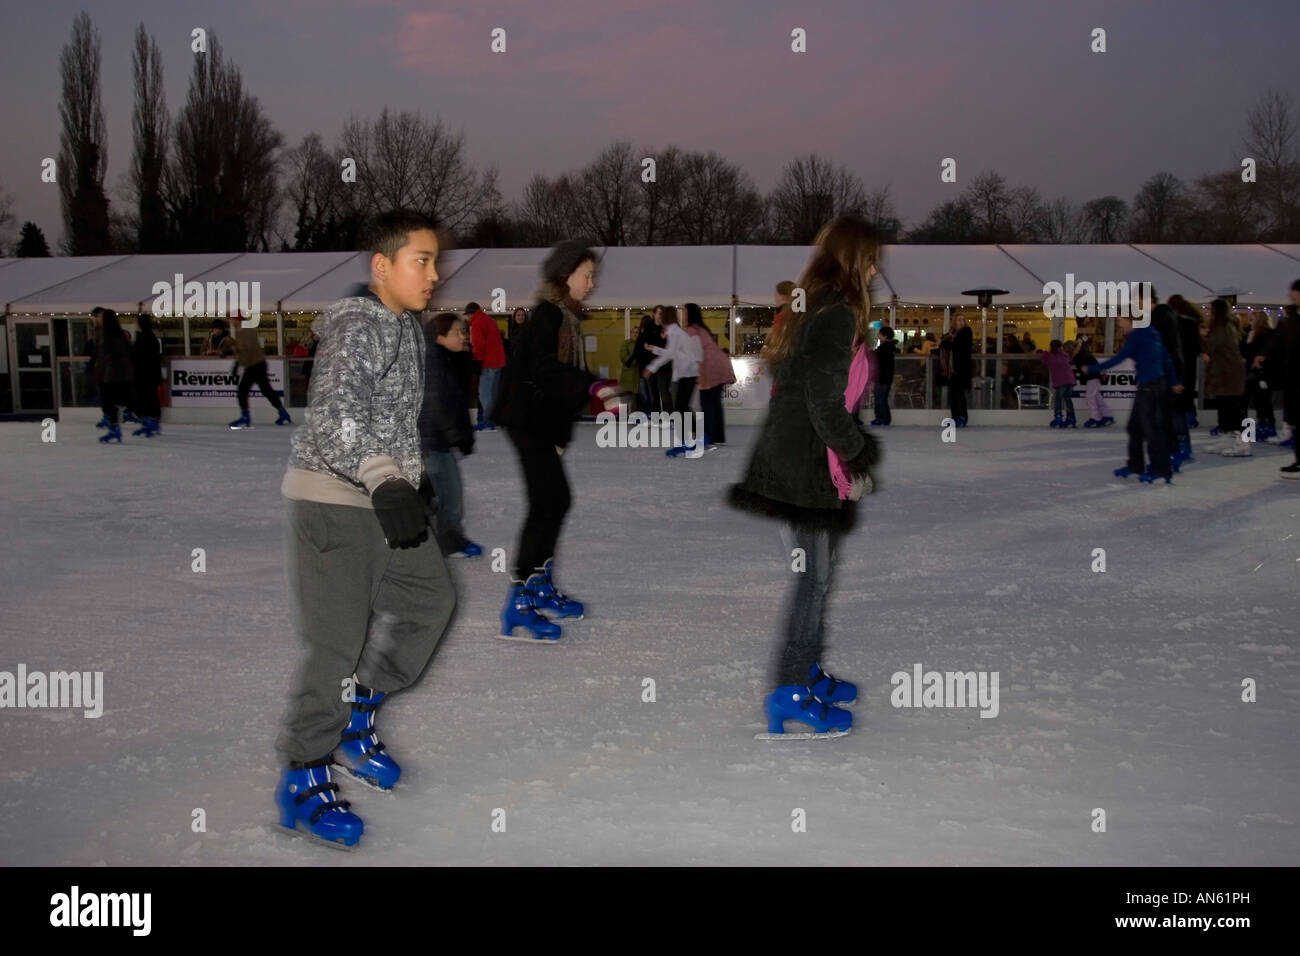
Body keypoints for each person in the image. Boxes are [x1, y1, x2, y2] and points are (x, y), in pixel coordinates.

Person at [274, 210, 454, 849]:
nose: (435, 273)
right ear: (383, 266)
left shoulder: (403, 326)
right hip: (334, 504)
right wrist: (385, 478)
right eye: (421, 260)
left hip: (382, 498)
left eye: (436, 261)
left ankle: (357, 716)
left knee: (431, 601)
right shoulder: (358, 327)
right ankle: (302, 775)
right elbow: (336, 415)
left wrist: (409, 478)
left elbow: (387, 418)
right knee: (336, 646)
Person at [728, 215, 883, 739]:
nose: (876, 270)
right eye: (871, 260)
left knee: (819, 575)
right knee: (813, 578)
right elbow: (823, 401)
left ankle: (807, 671)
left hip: (801, 458)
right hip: (804, 465)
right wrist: (857, 454)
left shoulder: (815, 304)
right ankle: (790, 690)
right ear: (855, 260)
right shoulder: (835, 312)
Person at [493, 240, 625, 642]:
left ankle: (538, 583)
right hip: (525, 419)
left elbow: (554, 381)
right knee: (547, 503)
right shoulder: (549, 315)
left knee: (555, 500)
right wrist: (594, 386)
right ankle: (519, 601)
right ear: (565, 275)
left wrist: (562, 432)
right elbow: (545, 370)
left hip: (538, 420)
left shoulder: (565, 316)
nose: (591, 283)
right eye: (587, 275)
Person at [1085, 306, 1183, 484]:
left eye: (1120, 320)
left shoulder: (1137, 334)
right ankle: (1136, 465)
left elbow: (1120, 357)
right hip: (1154, 385)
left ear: (1130, 319)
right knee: (1134, 428)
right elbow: (1166, 358)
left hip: (1149, 387)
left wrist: (1092, 369)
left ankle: (1161, 469)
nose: (1119, 324)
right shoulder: (1152, 332)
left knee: (1152, 430)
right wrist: (1174, 381)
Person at [420, 312, 481, 558]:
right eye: (457, 332)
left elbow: (454, 401)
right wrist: (457, 436)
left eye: (464, 332)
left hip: (437, 441)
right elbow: (438, 403)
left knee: (443, 495)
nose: (463, 337)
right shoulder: (434, 362)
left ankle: (444, 541)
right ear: (440, 337)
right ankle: (447, 544)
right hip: (431, 442)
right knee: (448, 495)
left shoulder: (447, 360)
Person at [643, 304, 702, 455]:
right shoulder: (675, 332)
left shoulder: (675, 333)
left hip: (686, 374)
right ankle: (697, 438)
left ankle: (688, 441)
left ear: (664, 318)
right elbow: (672, 353)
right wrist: (655, 349)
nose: (658, 319)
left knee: (680, 409)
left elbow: (670, 354)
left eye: (660, 316)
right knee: (682, 408)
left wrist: (651, 368)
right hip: (686, 374)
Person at [1256, 283, 1300, 475]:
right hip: (1294, 377)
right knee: (1296, 420)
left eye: (1294, 294)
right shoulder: (1293, 318)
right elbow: (1278, 339)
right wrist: (1263, 353)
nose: (1291, 296)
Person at [684, 302, 736, 447]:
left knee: (706, 403)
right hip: (721, 364)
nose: (682, 314)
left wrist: (698, 373)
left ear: (690, 314)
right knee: (715, 403)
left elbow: (697, 353)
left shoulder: (692, 330)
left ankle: (709, 438)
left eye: (684, 311)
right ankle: (718, 437)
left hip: (710, 367)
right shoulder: (702, 328)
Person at [1203, 299, 1248, 456]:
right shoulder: (1222, 327)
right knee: (1224, 408)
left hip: (1229, 374)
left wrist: (1202, 336)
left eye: (1210, 310)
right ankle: (1227, 439)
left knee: (1232, 409)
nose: (1208, 312)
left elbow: (1210, 345)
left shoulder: (1223, 328)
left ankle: (1243, 443)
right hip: (1224, 373)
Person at [228, 317, 292, 429]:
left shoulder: (242, 331)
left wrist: (237, 360)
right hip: (260, 363)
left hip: (253, 366)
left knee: (242, 391)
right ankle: (283, 413)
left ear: (237, 319)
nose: (231, 322)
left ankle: (245, 417)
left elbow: (246, 348)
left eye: (231, 319)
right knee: (267, 391)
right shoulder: (248, 328)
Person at [94, 309, 134, 444]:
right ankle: (116, 426)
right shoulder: (121, 335)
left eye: (101, 318)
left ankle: (114, 428)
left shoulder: (106, 336)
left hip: (111, 375)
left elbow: (103, 357)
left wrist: (99, 373)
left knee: (109, 403)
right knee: (115, 402)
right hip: (123, 375)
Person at [1167, 295, 1205, 437]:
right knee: (1187, 390)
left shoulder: (1171, 323)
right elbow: (1196, 346)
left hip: (1176, 362)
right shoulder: (1191, 323)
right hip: (1189, 362)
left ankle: (1182, 419)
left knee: (1176, 392)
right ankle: (1190, 417)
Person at [466, 301, 506, 430]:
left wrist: (476, 361)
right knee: (493, 393)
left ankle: (488, 420)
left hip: (487, 363)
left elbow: (478, 345)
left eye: (468, 315)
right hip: (498, 362)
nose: (468, 318)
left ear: (471, 314)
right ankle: (495, 418)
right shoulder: (490, 320)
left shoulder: (477, 323)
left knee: (484, 394)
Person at [1242, 312, 1276, 440]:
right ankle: (1259, 425)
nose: (1251, 322)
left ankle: (1266, 425)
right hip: (1251, 372)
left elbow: (1259, 352)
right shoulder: (1250, 334)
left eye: (1253, 319)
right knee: (1256, 400)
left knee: (1262, 400)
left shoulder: (1266, 335)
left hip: (1261, 372)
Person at [129, 314, 163, 437]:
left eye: (136, 323)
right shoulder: (149, 337)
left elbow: (137, 357)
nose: (135, 325)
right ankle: (151, 423)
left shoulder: (143, 339)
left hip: (144, 375)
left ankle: (149, 424)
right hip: (150, 375)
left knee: (145, 399)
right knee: (150, 399)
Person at [941, 313, 973, 426]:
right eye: (959, 319)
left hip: (961, 368)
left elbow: (958, 346)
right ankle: (956, 417)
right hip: (953, 369)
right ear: (954, 321)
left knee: (959, 394)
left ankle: (961, 417)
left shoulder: (966, 331)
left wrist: (945, 344)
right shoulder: (953, 333)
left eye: (963, 319)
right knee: (955, 394)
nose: (961, 322)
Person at [1073, 336, 1112, 427]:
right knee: (1097, 397)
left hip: (1092, 378)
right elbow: (1096, 364)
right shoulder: (1086, 355)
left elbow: (1087, 367)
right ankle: (1107, 415)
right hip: (1095, 377)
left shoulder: (1079, 357)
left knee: (1090, 398)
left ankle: (1095, 418)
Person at [1038, 339, 1077, 428]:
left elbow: (1044, 361)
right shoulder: (1065, 355)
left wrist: (1044, 352)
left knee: (1058, 399)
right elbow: (1070, 361)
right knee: (1067, 398)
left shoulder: (1050, 356)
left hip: (1060, 381)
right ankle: (1071, 417)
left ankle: (1058, 418)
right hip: (1070, 380)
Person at [629, 314, 661, 412]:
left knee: (647, 393)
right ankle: (651, 412)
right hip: (648, 369)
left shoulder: (649, 338)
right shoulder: (647, 338)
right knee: (649, 393)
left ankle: (650, 412)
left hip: (646, 369)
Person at [871, 325, 896, 426]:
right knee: (881, 399)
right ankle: (883, 418)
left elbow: (876, 356)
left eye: (880, 335)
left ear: (885, 336)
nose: (878, 336)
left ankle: (882, 418)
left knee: (880, 398)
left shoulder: (885, 348)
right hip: (885, 377)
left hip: (882, 377)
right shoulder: (888, 347)